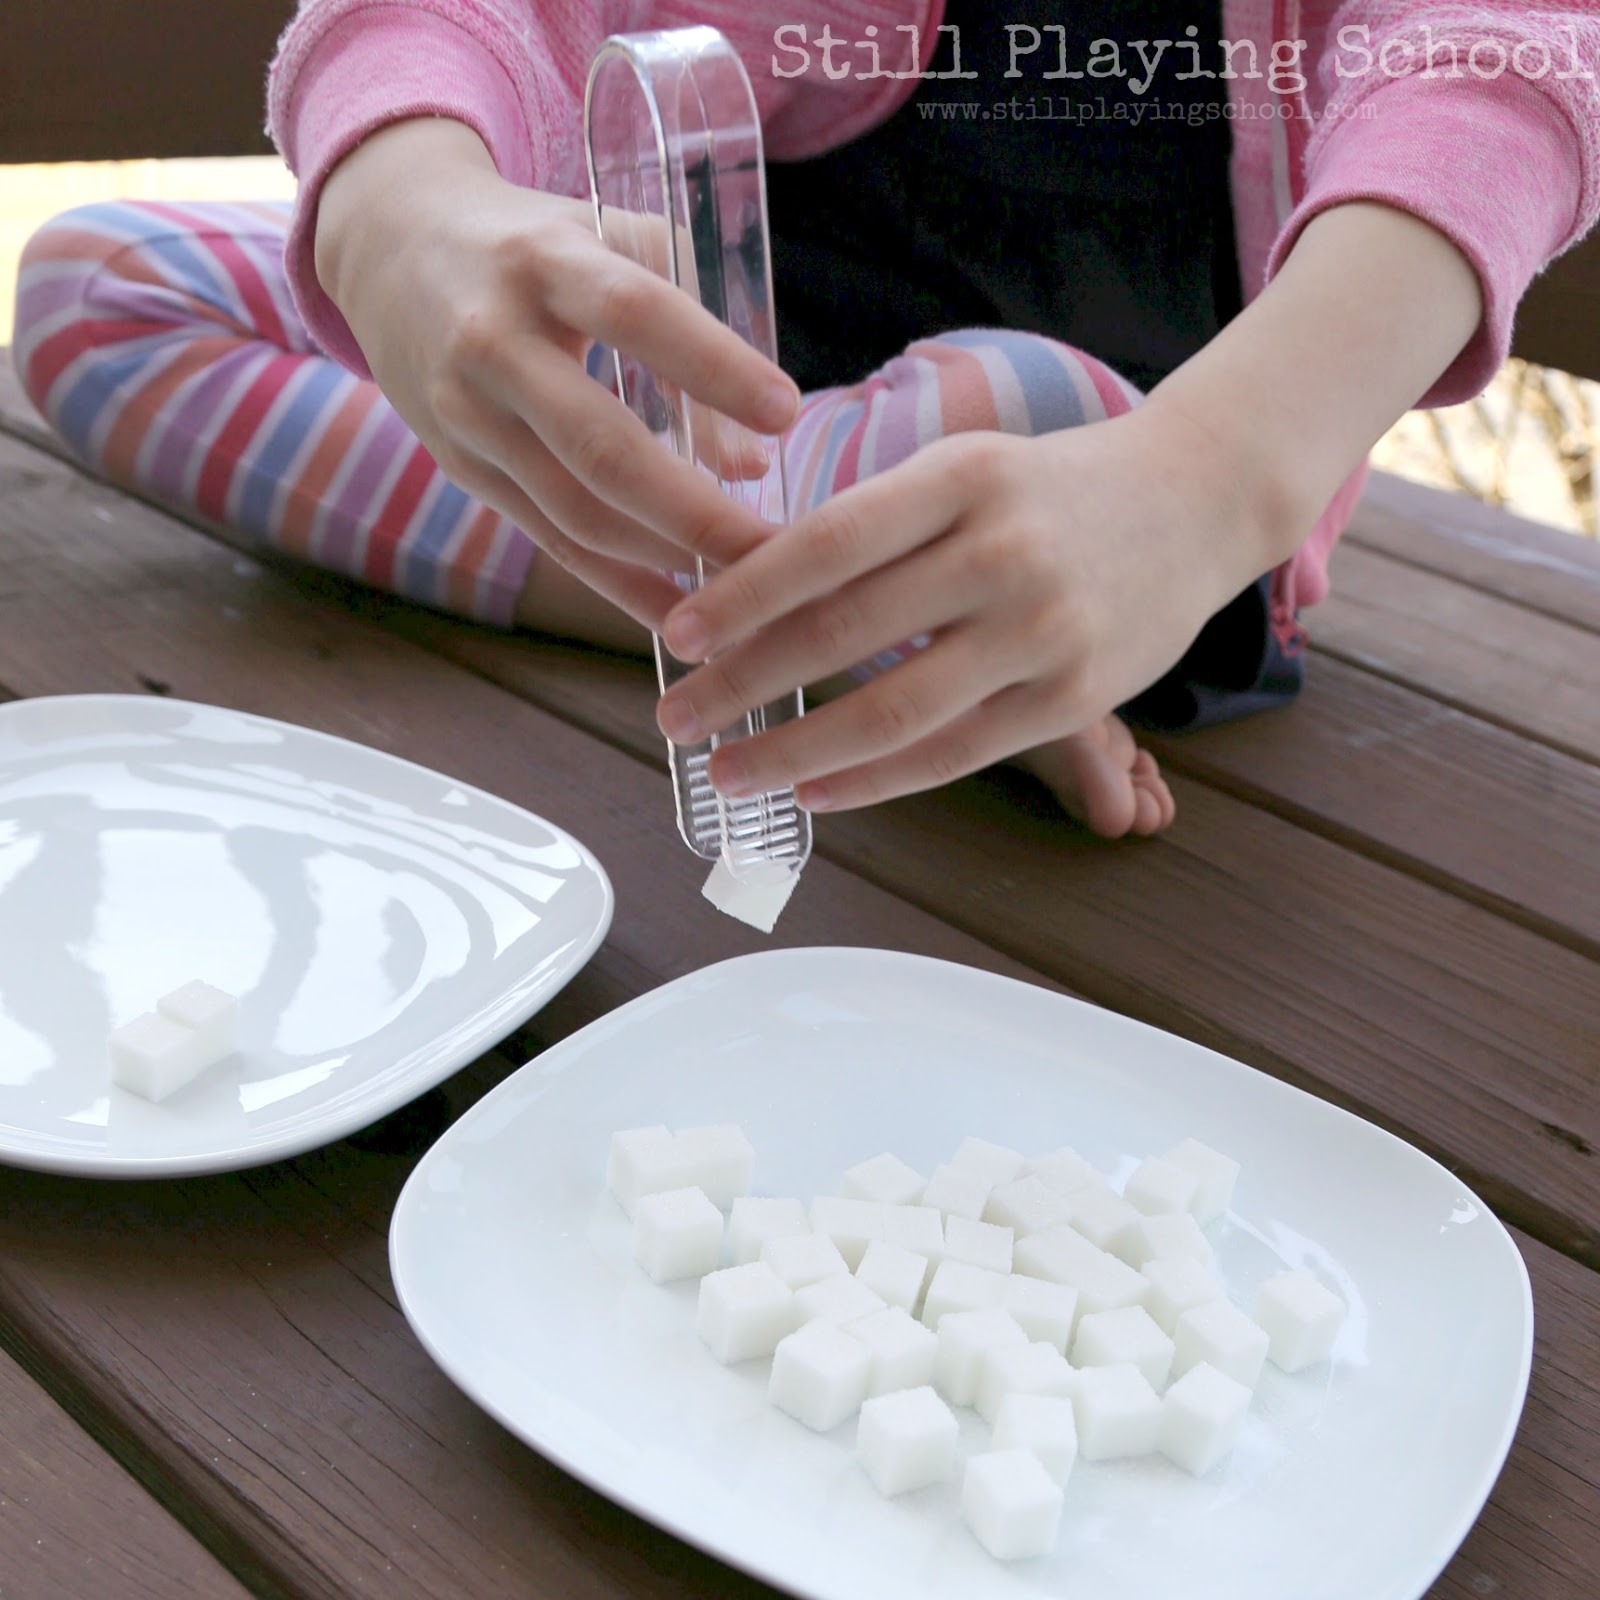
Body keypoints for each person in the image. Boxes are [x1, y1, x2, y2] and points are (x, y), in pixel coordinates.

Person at [14, 2, 1598, 837]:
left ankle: (837, 609)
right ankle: (773, 618)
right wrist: (401, 207)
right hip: (740, 409)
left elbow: (1495, 74)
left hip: (1110, 508)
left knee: (1010, 402)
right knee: (102, 284)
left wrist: (1213, 477)